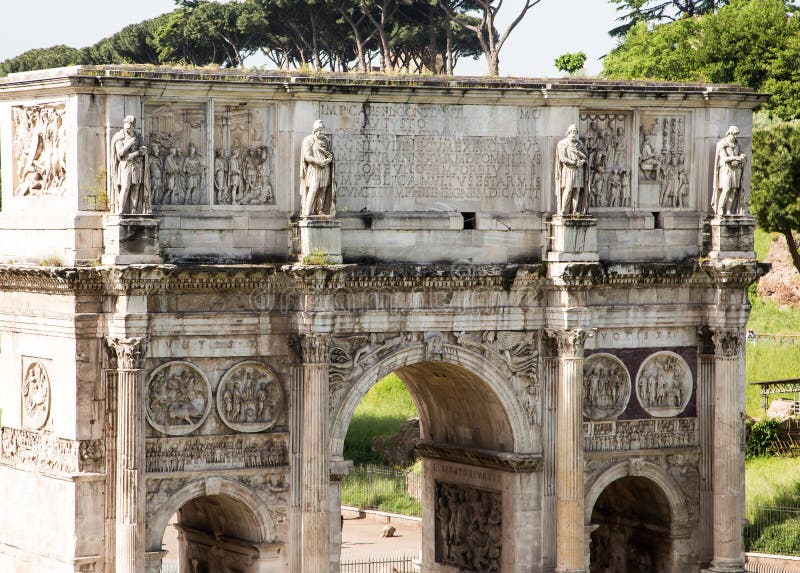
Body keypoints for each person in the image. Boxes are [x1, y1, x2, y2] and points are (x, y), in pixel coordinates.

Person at [109, 115, 147, 214]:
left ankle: (133, 209)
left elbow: (143, 150)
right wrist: (130, 143)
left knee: (136, 187)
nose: (128, 127)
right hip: (125, 165)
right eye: (126, 125)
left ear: (134, 125)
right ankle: (120, 209)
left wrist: (135, 153)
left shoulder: (138, 136)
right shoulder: (119, 137)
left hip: (136, 165)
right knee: (125, 187)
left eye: (130, 125)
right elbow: (120, 152)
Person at [300, 119, 335, 216]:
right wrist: (318, 162)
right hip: (314, 168)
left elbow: (331, 155)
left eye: (322, 129)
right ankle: (307, 210)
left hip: (325, 168)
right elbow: (307, 156)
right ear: (314, 129)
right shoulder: (308, 140)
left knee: (323, 189)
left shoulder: (326, 140)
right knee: (313, 188)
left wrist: (327, 161)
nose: (321, 131)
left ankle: (320, 210)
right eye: (319, 129)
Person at [713, 125, 747, 216]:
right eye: (734, 134)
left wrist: (742, 156)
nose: (735, 136)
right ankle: (720, 208)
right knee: (726, 189)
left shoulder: (738, 143)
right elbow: (724, 158)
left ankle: (728, 210)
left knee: (734, 190)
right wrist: (737, 158)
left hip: (736, 170)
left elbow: (742, 153)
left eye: (736, 134)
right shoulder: (722, 143)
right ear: (729, 133)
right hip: (726, 170)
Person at [555, 124, 588, 215]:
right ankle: (563, 210)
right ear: (568, 133)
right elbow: (562, 158)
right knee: (568, 189)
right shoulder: (563, 144)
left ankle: (575, 211)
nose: (573, 134)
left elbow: (586, 157)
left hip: (579, 170)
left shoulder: (580, 144)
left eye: (575, 132)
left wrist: (582, 161)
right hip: (568, 169)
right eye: (572, 132)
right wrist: (574, 162)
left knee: (577, 190)